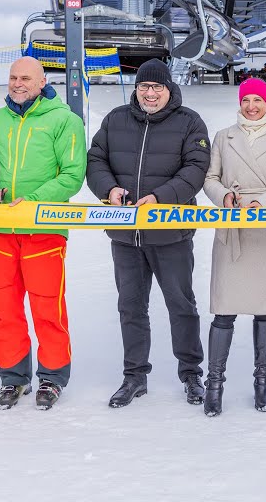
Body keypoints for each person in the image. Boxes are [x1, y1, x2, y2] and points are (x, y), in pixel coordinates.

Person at [86, 58, 212, 409]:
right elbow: (96, 160)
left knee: (181, 305)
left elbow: (196, 168)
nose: (150, 93)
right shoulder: (116, 120)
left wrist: (159, 198)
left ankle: (191, 373)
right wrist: (108, 190)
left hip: (170, 234)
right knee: (131, 306)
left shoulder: (189, 122)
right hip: (126, 237)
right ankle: (134, 376)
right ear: (137, 89)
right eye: (144, 86)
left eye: (157, 87)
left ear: (168, 89)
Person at [0, 56, 87, 411]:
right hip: (4, 230)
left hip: (45, 230)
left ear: (41, 82)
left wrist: (32, 202)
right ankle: (12, 377)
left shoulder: (65, 120)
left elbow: (72, 175)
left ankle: (52, 377)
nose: (18, 84)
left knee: (46, 307)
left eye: (25, 78)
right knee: (4, 307)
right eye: (13, 78)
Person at [200, 78, 266, 416]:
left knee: (264, 307)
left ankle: (262, 381)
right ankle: (214, 384)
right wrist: (224, 196)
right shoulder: (223, 137)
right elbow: (210, 178)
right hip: (233, 224)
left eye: (258, 100)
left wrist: (264, 203)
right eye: (247, 100)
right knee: (223, 309)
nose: (252, 106)